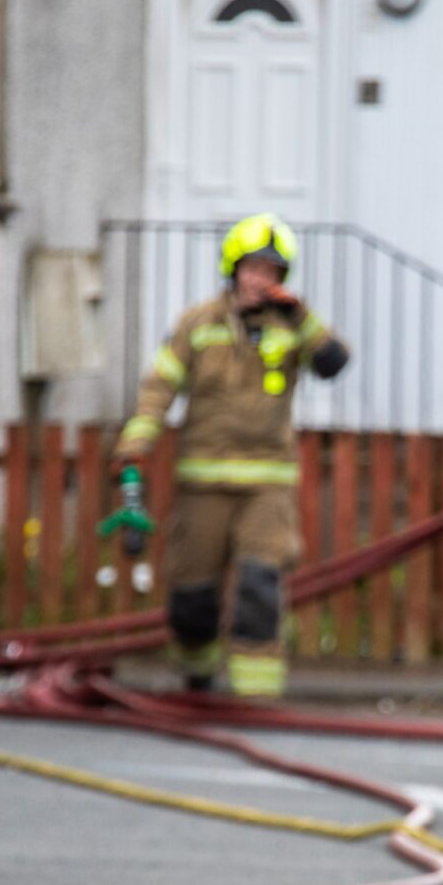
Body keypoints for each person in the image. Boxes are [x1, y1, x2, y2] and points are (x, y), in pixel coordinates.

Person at [112, 214, 350, 698]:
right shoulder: (197, 325)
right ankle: (196, 679)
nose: (262, 279)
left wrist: (300, 316)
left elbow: (334, 362)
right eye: (253, 268)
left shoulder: (292, 326)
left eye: (272, 271)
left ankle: (255, 696)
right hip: (203, 483)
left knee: (260, 589)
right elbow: (159, 387)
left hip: (267, 485)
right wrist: (136, 443)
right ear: (234, 268)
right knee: (192, 596)